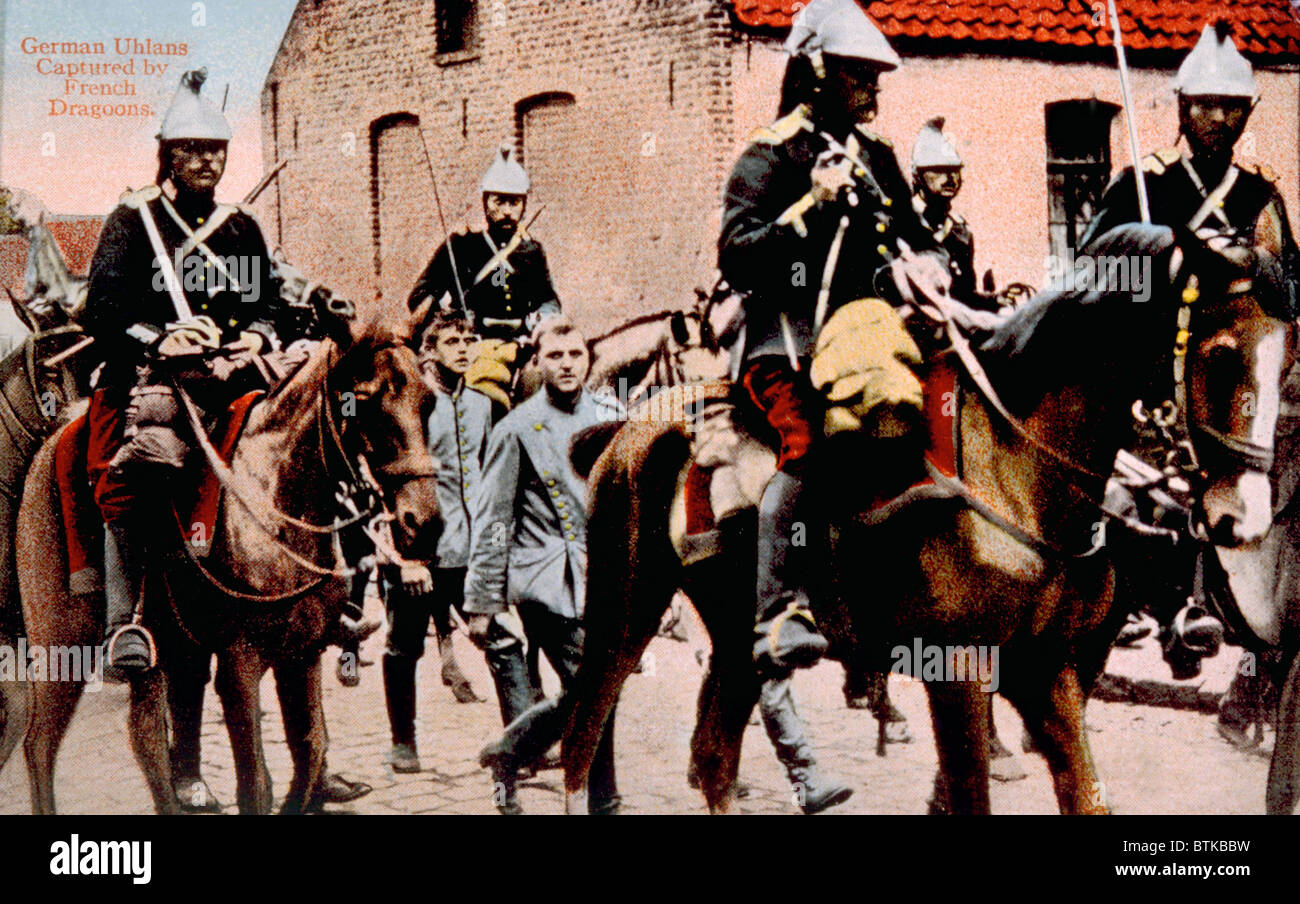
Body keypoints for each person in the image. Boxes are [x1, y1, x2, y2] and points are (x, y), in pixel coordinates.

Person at [717, 0, 937, 672]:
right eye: (858, 75)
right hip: (785, 344)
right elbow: (737, 256)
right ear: (816, 72)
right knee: (806, 446)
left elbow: (919, 239)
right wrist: (810, 203)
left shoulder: (877, 158)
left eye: (875, 78)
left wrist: (931, 269)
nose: (872, 90)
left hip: (872, 344)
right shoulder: (771, 153)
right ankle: (779, 609)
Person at [83, 69, 294, 674]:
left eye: (215, 150)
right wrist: (163, 338)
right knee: (145, 457)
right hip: (152, 378)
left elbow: (268, 305)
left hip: (232, 373)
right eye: (192, 150)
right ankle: (128, 619)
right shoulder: (133, 220)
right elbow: (102, 310)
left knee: (319, 426)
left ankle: (341, 588)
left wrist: (253, 335)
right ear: (168, 156)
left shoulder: (239, 226)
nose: (206, 161)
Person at [465, 318, 624, 814]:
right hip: (544, 578)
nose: (568, 364)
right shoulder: (515, 427)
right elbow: (494, 519)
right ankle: (603, 802)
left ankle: (510, 750)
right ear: (538, 362)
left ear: (589, 358)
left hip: (600, 576)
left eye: (576, 354)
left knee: (599, 691)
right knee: (593, 688)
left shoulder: (610, 415)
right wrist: (484, 601)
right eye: (555, 356)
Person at [380, 313, 493, 773]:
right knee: (405, 646)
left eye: (470, 340)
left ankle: (522, 741)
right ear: (430, 351)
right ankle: (403, 742)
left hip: (469, 550)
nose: (464, 349)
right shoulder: (409, 402)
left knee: (501, 642)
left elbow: (486, 475)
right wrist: (404, 555)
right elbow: (386, 481)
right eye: (452, 341)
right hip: (418, 551)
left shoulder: (485, 405)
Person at [407, 142, 561, 344]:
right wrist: (450, 319)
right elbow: (419, 295)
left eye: (514, 203)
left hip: (522, 342)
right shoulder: (460, 246)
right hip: (470, 343)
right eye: (499, 202)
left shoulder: (532, 250)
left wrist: (542, 318)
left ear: (523, 206)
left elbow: (548, 299)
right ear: (485, 203)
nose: (507, 211)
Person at [910, 117, 1028, 312]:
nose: (950, 178)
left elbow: (964, 296)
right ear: (918, 175)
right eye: (939, 170)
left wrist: (996, 300)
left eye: (955, 171)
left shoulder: (959, 230)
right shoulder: (901, 220)